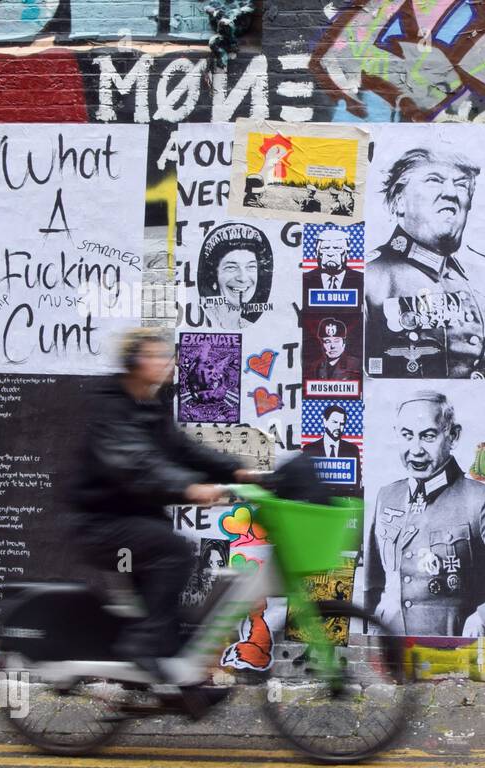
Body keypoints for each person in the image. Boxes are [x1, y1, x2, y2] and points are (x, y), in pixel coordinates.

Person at [70, 328, 259, 682]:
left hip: (130, 519)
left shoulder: (148, 405)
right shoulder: (112, 407)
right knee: (175, 552)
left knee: (163, 598)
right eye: (156, 356)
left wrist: (237, 470)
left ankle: (168, 679)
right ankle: (141, 644)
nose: (167, 363)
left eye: (167, 356)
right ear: (134, 362)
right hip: (99, 525)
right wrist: (188, 488)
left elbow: (183, 449)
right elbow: (135, 464)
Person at [364, 391, 485, 637]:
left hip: (450, 661)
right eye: (407, 436)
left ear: (453, 436)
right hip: (387, 655)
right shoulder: (388, 495)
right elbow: (373, 587)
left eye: (428, 436)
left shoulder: (481, 499)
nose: (415, 449)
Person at [363, 148, 485, 379]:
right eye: (434, 181)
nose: (451, 193)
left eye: (461, 185)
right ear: (399, 201)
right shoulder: (366, 276)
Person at [198, 222, 273, 329]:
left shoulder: (248, 326)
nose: (243, 278)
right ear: (214, 275)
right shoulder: (202, 319)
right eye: (231, 267)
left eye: (251, 267)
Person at [302, 404, 362, 490]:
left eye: (342, 424)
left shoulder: (352, 449)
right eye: (335, 422)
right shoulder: (310, 448)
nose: (338, 427)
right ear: (325, 422)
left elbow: (356, 484)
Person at [302, 227, 363, 309]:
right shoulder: (305, 280)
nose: (330, 253)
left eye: (337, 248)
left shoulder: (361, 280)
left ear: (346, 252)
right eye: (325, 248)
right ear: (318, 252)